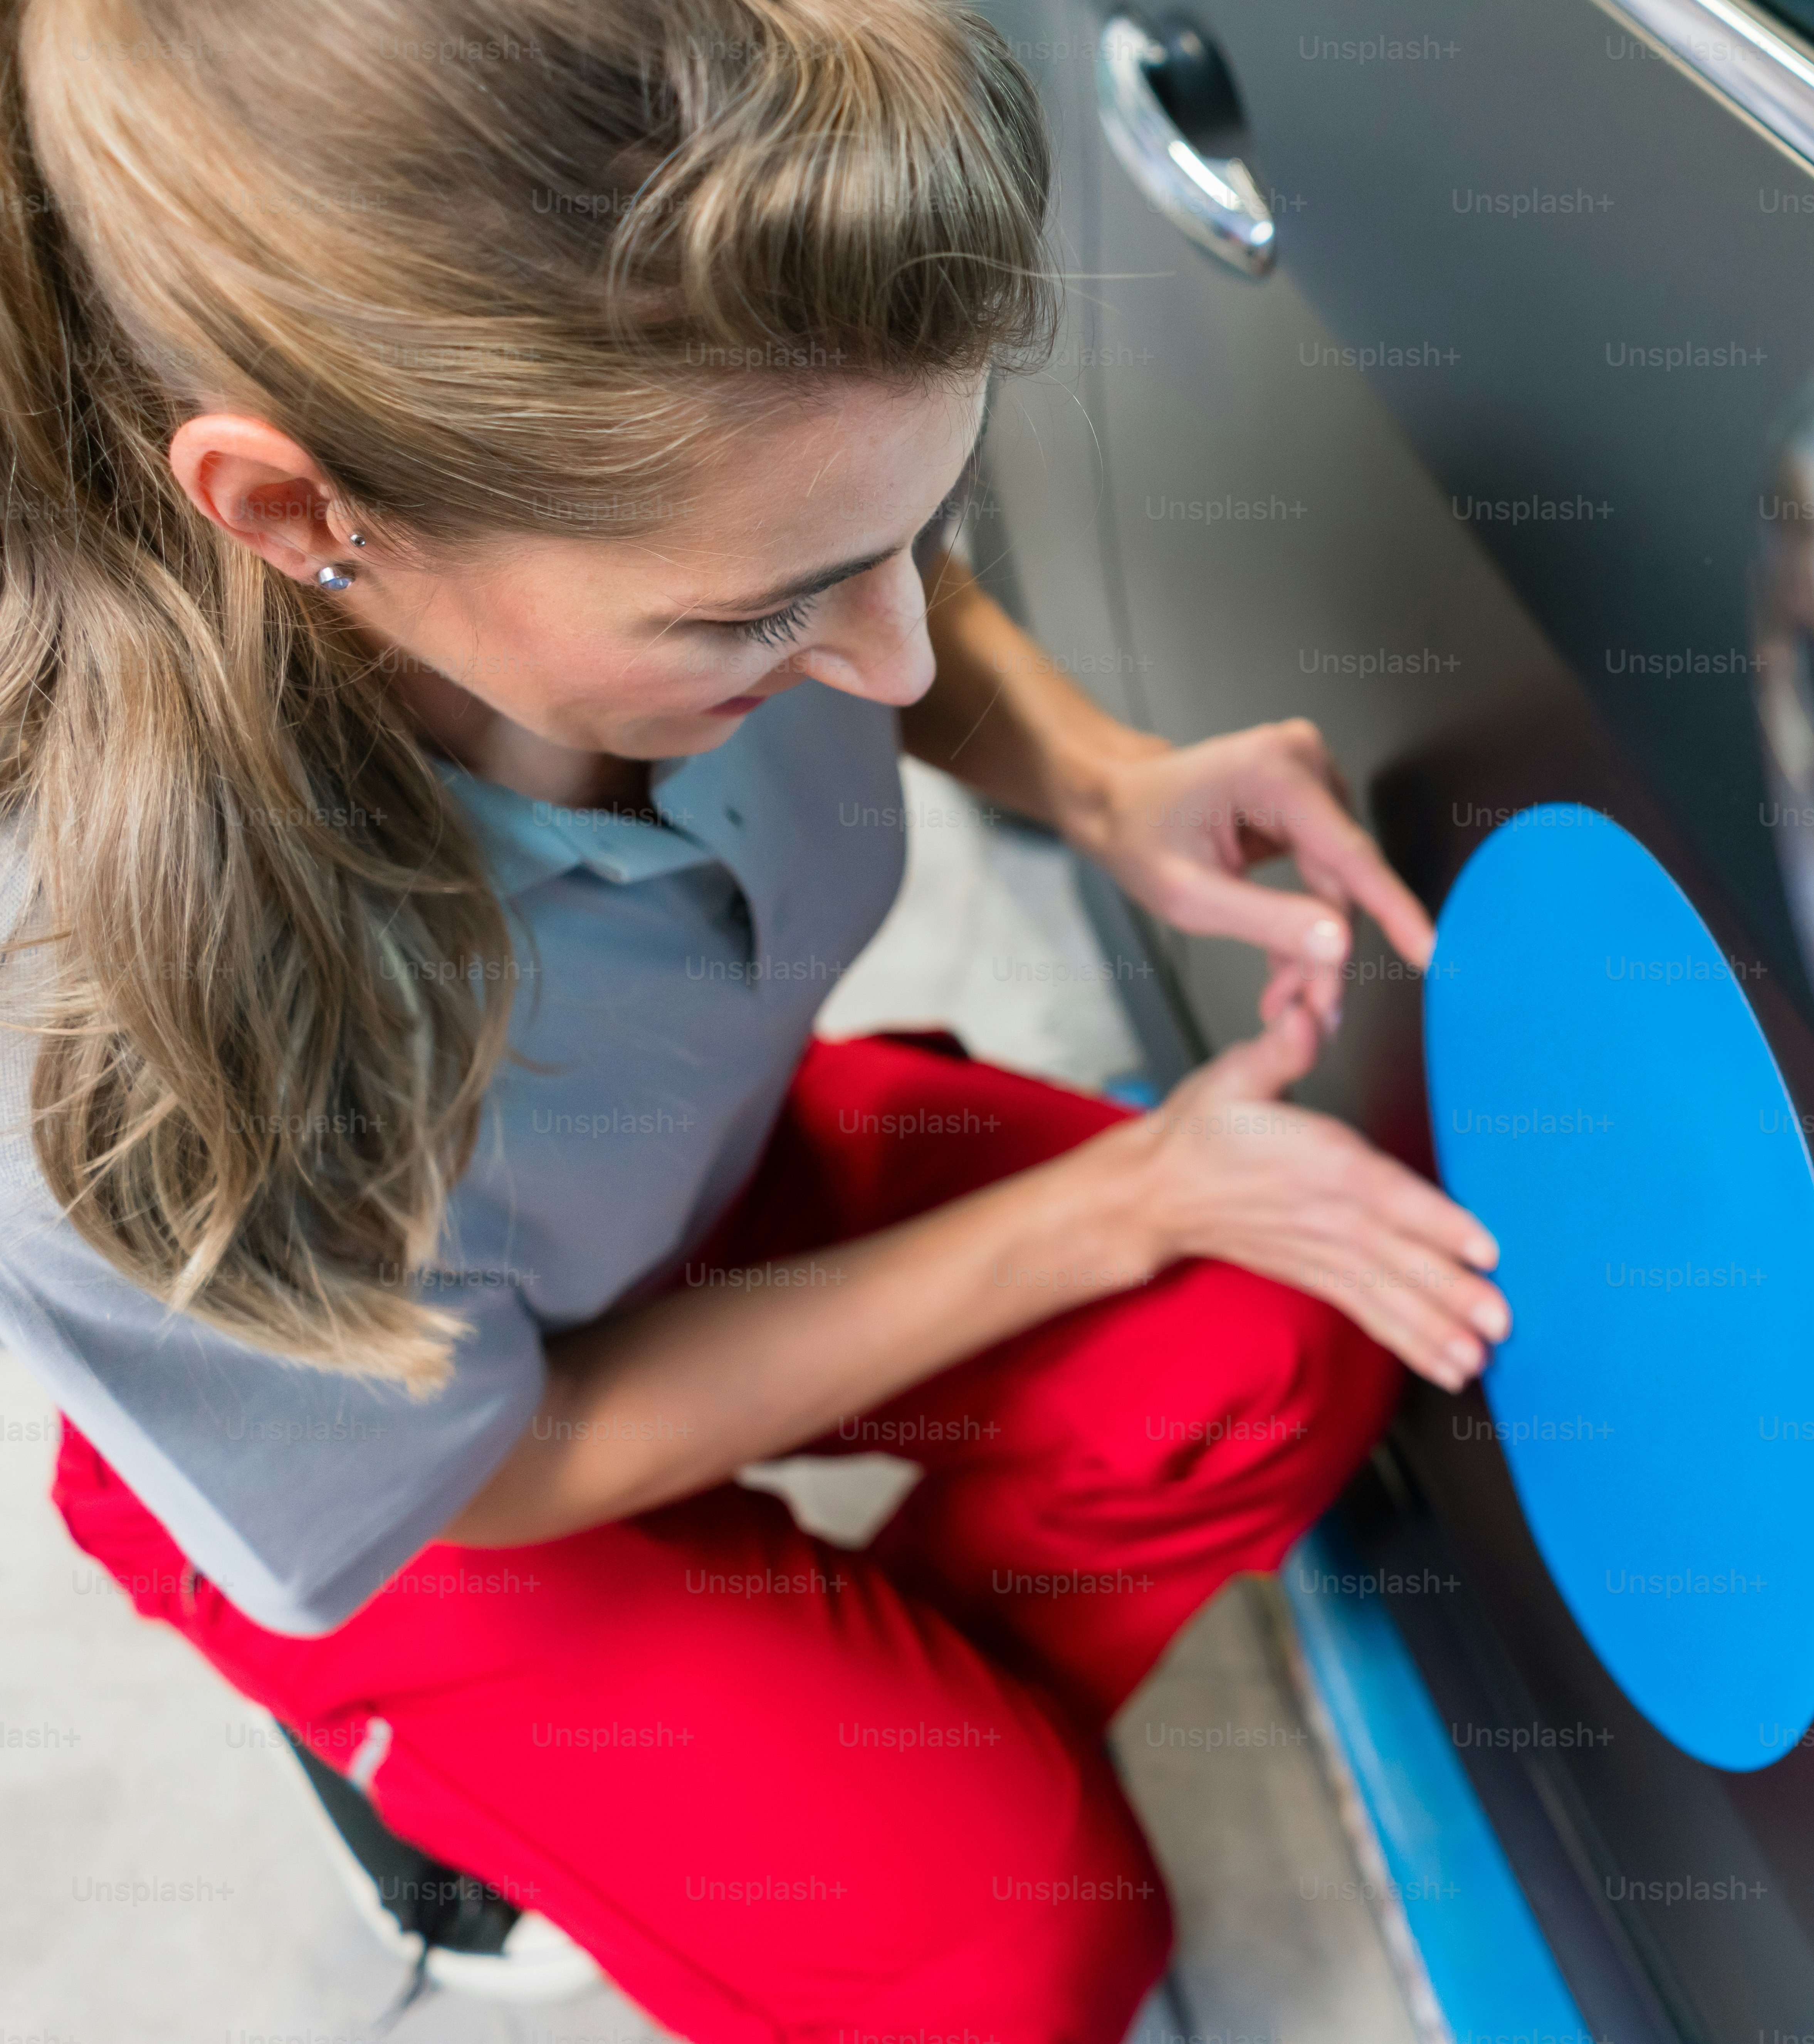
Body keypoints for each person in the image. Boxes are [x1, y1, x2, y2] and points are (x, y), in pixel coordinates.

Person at [0, 0, 1511, 2037]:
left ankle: (851, 1802)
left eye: (910, 528)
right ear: (302, 515)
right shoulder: (76, 1012)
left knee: (1293, 1313)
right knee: (1026, 1947)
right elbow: (506, 1456)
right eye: (756, 617)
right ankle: (606, 1824)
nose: (887, 666)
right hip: (399, 1442)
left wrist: (1099, 778)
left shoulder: (719, 492)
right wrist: (1119, 1198)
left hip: (663, 1176)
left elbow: (882, 586)